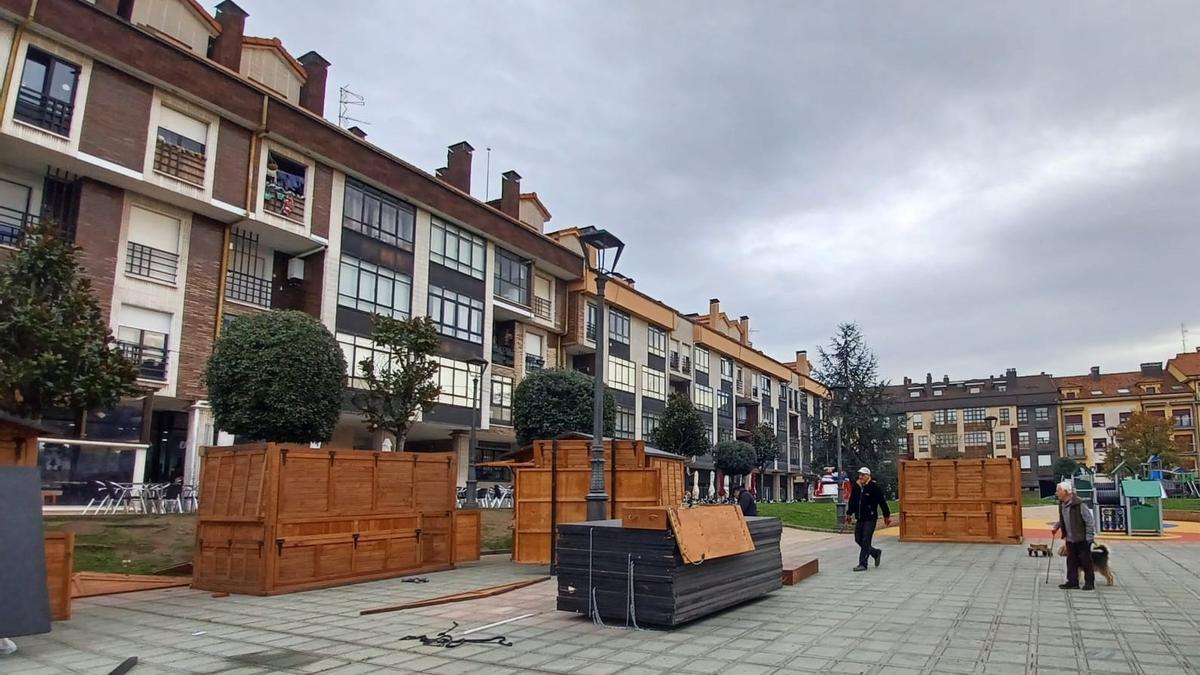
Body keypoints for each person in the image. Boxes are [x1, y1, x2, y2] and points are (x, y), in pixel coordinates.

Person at [1051, 480, 1096, 590]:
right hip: (1070, 538)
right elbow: (1064, 518)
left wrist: (1089, 537)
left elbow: (1089, 521)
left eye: (1058, 491)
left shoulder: (1079, 504)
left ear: (1066, 492)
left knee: (1086, 561)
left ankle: (1089, 582)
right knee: (1071, 560)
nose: (1057, 493)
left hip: (1082, 538)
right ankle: (1072, 581)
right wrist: (1057, 526)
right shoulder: (1062, 504)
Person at [845, 467, 891, 571]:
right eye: (860, 474)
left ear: (868, 476)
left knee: (866, 539)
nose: (860, 477)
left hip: (870, 518)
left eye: (863, 475)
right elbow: (852, 501)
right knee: (858, 539)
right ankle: (875, 553)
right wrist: (849, 513)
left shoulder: (874, 487)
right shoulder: (856, 487)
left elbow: (882, 502)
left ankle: (863, 564)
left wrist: (886, 515)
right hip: (860, 518)